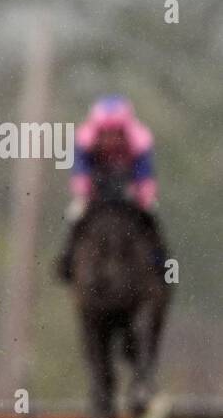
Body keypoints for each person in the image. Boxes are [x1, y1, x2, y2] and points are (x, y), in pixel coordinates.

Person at [56, 95, 160, 282]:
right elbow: (80, 170)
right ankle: (68, 260)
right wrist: (84, 190)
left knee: (151, 212)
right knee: (75, 214)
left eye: (115, 132)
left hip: (127, 189)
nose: (110, 138)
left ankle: (159, 261)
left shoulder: (139, 141)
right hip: (97, 190)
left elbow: (144, 174)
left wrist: (143, 195)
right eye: (106, 132)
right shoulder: (85, 140)